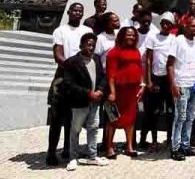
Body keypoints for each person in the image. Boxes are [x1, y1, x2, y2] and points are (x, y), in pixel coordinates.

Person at [47, 3, 93, 166]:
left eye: (80, 11)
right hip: (63, 75)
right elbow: (58, 54)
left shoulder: (87, 31)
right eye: (74, 10)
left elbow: (90, 50)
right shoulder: (60, 31)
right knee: (56, 117)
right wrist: (71, 67)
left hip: (81, 78)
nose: (77, 13)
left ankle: (68, 149)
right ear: (69, 12)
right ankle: (51, 152)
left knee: (72, 118)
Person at [61, 32, 108, 171]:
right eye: (88, 45)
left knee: (93, 128)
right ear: (81, 45)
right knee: (75, 129)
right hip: (79, 103)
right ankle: (73, 158)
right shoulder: (72, 62)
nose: (91, 47)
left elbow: (103, 77)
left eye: (93, 45)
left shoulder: (97, 59)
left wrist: (100, 90)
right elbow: (69, 84)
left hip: (95, 102)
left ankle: (92, 156)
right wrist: (88, 93)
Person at [167, 16, 195, 161]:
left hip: (194, 84)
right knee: (180, 117)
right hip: (181, 84)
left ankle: (186, 145)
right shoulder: (178, 41)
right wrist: (173, 85)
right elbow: (170, 64)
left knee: (190, 117)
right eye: (193, 26)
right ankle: (175, 148)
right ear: (185, 26)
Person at [105, 27, 144, 160]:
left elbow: (140, 68)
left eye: (133, 35)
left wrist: (142, 85)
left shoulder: (136, 51)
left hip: (132, 90)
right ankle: (109, 147)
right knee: (113, 119)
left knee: (131, 119)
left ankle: (129, 147)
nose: (131, 37)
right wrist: (112, 92)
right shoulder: (114, 52)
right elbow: (110, 74)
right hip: (118, 90)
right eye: (128, 35)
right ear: (122, 36)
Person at [141, 11, 176, 152]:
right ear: (160, 23)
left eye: (169, 24)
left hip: (169, 78)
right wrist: (148, 81)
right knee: (154, 111)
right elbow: (148, 60)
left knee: (170, 111)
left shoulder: (174, 39)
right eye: (164, 23)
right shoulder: (152, 37)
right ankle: (154, 140)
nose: (166, 26)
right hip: (156, 77)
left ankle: (169, 139)